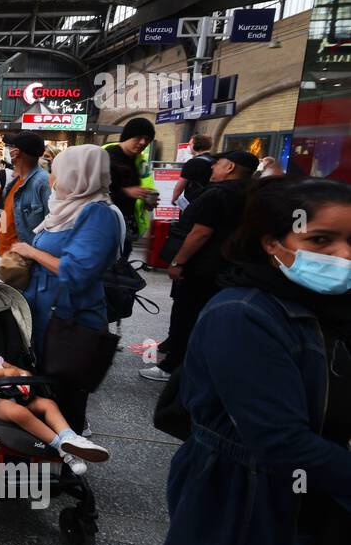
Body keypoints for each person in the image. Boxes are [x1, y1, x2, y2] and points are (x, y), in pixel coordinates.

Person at [152, 177, 351, 545]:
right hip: (247, 503)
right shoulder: (244, 313)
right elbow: (279, 440)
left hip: (288, 501)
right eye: (320, 240)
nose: (343, 256)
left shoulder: (322, 310)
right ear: (272, 243)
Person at [11, 144, 123, 434]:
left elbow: (76, 273)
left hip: (70, 323)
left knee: (65, 398)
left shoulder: (98, 215)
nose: (51, 178)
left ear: (78, 175)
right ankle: (42, 453)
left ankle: (63, 463)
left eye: (57, 172)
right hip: (44, 315)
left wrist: (32, 253)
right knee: (43, 391)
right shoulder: (66, 209)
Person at [140, 150, 258, 382]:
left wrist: (177, 262)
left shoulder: (216, 195)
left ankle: (172, 366)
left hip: (201, 267)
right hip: (229, 267)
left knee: (186, 314)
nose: (212, 168)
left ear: (230, 167)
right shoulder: (254, 193)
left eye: (218, 164)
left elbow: (200, 233)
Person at [0, 312, 109, 475]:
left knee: (48, 404)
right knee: (19, 412)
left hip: (15, 393)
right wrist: (4, 373)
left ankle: (70, 438)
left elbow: (12, 367)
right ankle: (61, 447)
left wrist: (23, 374)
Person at [104, 118, 159, 257]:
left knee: (122, 262)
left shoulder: (140, 161)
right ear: (127, 136)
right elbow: (94, 190)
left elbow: (144, 186)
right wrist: (126, 192)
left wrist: (148, 201)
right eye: (138, 137)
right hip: (106, 223)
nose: (143, 142)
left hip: (127, 224)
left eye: (147, 139)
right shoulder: (107, 156)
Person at [0, 131, 52, 258]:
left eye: (12, 147)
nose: (10, 150)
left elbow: (51, 224)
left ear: (17, 152)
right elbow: (6, 214)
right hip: (2, 254)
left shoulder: (43, 182)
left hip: (20, 261)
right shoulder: (16, 181)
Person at [172, 134, 214, 206]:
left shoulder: (192, 163)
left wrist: (174, 199)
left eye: (190, 144)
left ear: (196, 145)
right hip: (211, 201)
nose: (188, 147)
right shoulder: (216, 160)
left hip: (194, 202)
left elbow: (180, 186)